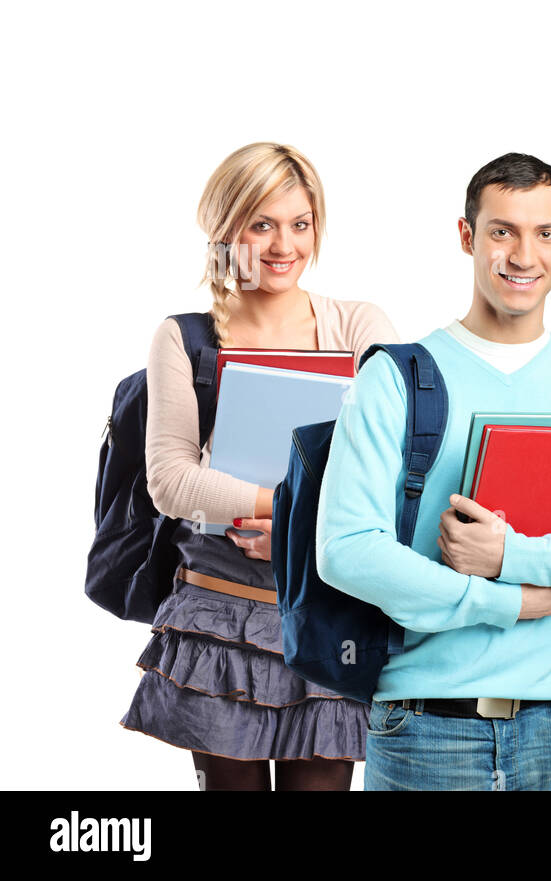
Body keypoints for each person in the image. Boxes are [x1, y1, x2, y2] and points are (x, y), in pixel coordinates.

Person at [315, 152, 551, 791]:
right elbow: (345, 550)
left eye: (545, 234)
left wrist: (513, 556)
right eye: (502, 231)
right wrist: (506, 603)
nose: (522, 255)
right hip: (425, 729)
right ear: (466, 236)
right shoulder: (396, 378)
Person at [120, 142, 399, 790]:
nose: (284, 244)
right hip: (224, 610)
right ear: (226, 229)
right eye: (262, 223)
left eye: (300, 224)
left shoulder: (359, 325)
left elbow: (391, 467)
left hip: (328, 609)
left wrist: (294, 523)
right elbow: (170, 479)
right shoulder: (184, 338)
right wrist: (297, 507)